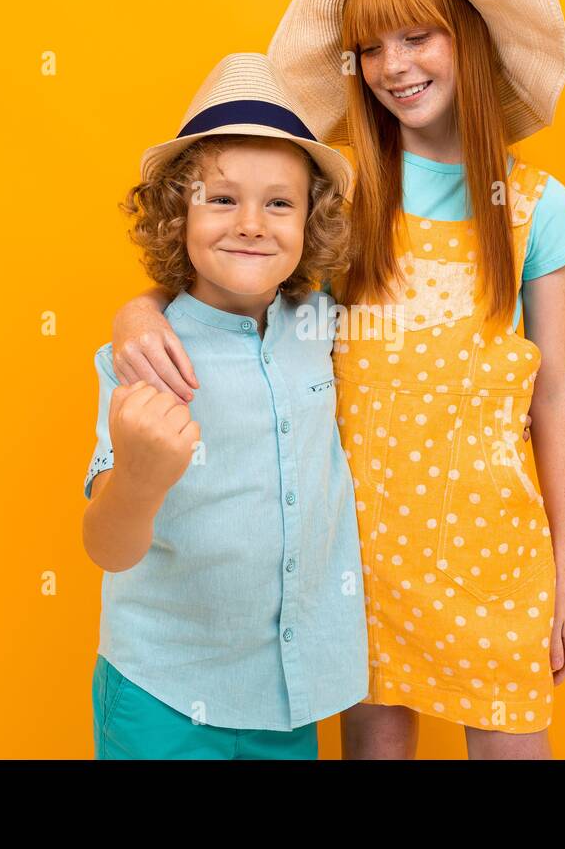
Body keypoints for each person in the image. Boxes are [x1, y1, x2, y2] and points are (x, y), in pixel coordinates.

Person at [108, 0, 565, 759]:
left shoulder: (534, 208)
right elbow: (231, 292)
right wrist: (138, 308)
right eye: (370, 47)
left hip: (495, 556)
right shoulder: (341, 199)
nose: (392, 66)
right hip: (353, 562)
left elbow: (553, 398)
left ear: (469, 40)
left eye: (417, 37)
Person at [82, 53, 368, 759]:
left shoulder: (321, 326)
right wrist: (141, 480)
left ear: (311, 221)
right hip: (162, 692)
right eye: (220, 199)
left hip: (288, 697)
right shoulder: (145, 359)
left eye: (279, 202)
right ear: (177, 214)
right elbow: (104, 546)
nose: (251, 223)